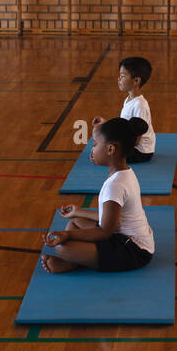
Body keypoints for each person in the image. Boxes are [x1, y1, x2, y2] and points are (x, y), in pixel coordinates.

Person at [42, 117, 155, 273]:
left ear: (110, 149)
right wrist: (78, 212)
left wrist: (66, 235)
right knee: (76, 222)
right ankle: (77, 260)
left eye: (95, 145)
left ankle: (72, 261)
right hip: (122, 236)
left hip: (135, 251)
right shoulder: (124, 172)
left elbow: (105, 231)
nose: (92, 149)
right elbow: (110, 220)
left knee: (63, 248)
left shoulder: (116, 185)